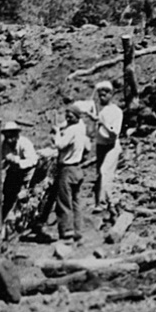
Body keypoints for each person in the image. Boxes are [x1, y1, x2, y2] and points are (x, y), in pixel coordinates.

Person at [52, 104, 91, 242]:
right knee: (76, 202)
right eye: (67, 115)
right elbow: (66, 124)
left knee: (64, 201)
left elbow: (60, 145)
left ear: (76, 117)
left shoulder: (71, 130)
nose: (68, 118)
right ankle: (78, 230)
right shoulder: (80, 127)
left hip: (67, 169)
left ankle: (67, 231)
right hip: (77, 169)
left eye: (71, 115)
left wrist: (56, 132)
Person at [91, 80, 124, 219]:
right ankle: (100, 202)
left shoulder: (116, 111)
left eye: (104, 94)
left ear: (111, 94)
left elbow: (114, 133)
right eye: (100, 95)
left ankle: (106, 204)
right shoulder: (100, 109)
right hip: (101, 145)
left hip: (112, 146)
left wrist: (102, 121)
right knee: (100, 174)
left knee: (106, 172)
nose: (101, 97)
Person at [0, 121, 38, 227]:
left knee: (24, 197)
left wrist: (17, 160)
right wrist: (5, 161)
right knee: (8, 195)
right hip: (13, 171)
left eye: (12, 136)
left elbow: (33, 161)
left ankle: (26, 221)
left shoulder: (25, 143)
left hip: (28, 171)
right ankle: (5, 223)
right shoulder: (3, 145)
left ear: (17, 134)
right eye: (7, 136)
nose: (9, 139)